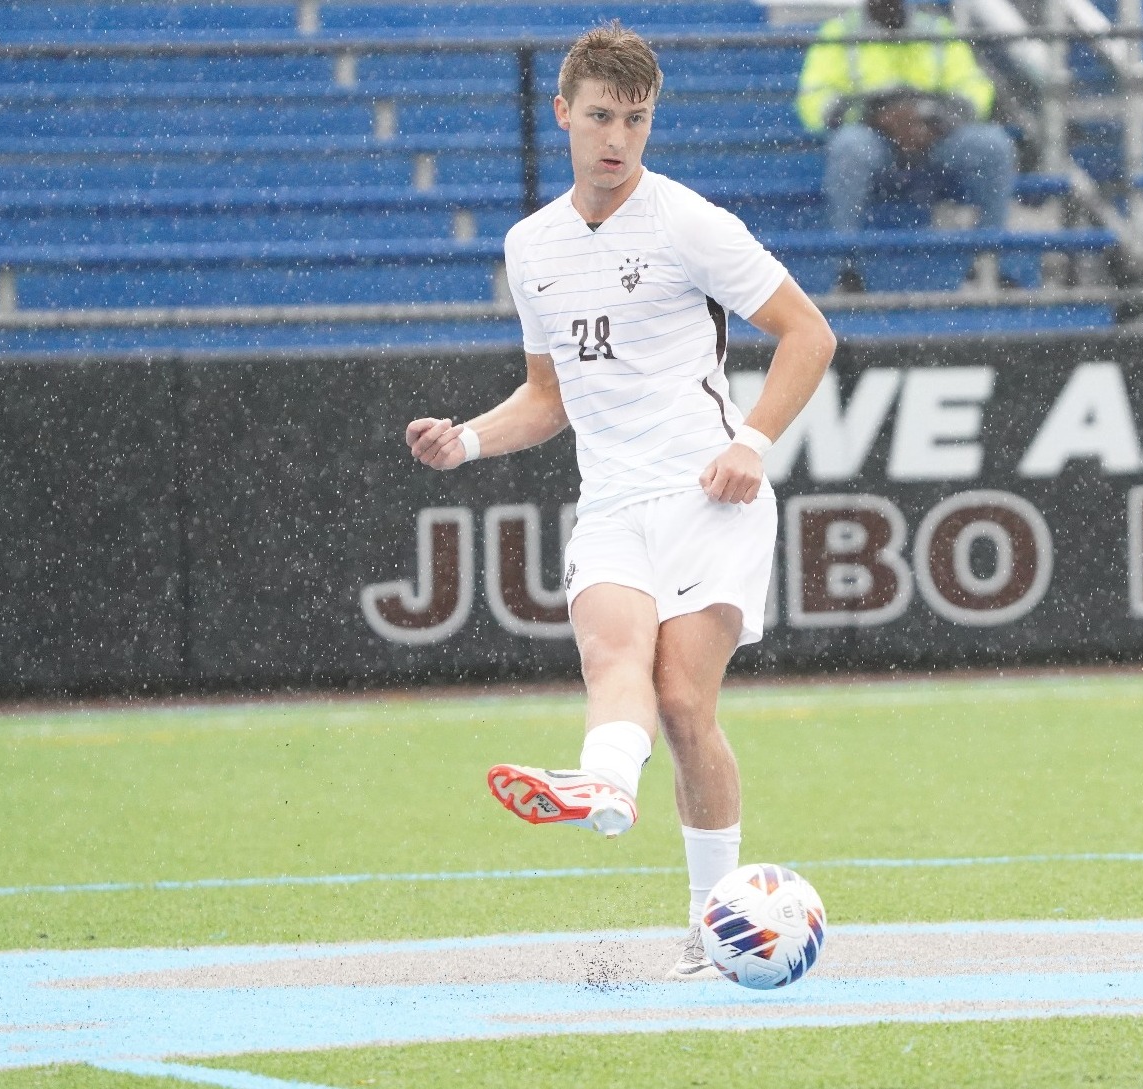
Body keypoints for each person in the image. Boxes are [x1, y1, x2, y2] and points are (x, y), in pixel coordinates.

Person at [402, 23, 835, 980]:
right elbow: (547, 397)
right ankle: (602, 784)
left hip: (707, 496)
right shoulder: (531, 246)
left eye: (635, 120)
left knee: (681, 702)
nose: (617, 138)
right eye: (601, 116)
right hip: (610, 502)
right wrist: (466, 439)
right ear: (563, 113)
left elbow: (809, 334)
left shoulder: (688, 222)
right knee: (612, 656)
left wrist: (751, 444)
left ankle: (703, 927)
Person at [797, 0, 1016, 247]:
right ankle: (845, 256)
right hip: (872, 138)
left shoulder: (938, 29)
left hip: (936, 136)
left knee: (993, 145)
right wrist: (871, 116)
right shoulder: (838, 33)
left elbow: (973, 86)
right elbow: (814, 98)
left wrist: (937, 119)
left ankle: (990, 252)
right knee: (849, 147)